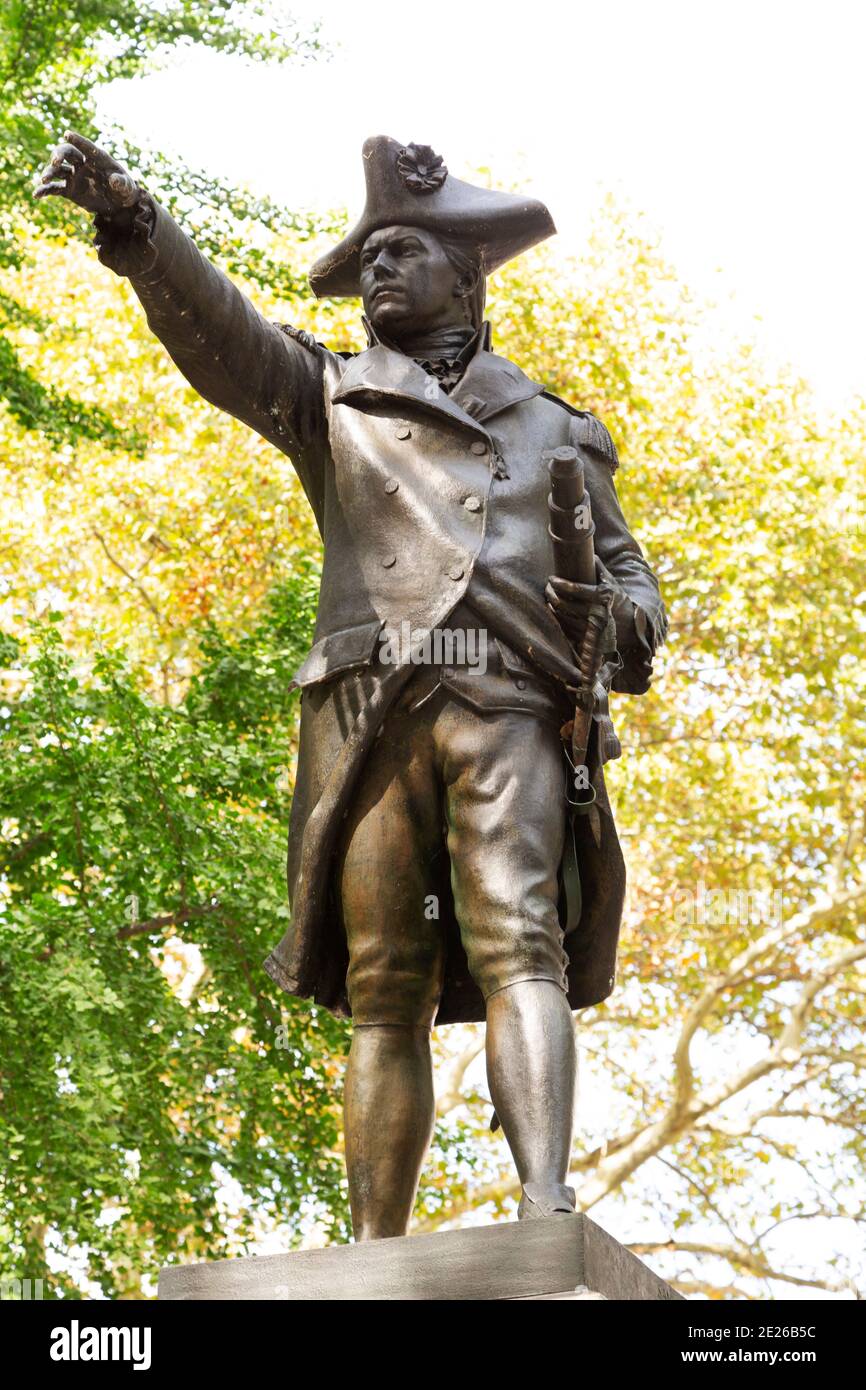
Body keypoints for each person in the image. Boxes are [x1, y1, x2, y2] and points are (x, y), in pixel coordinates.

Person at [36, 132, 667, 1239]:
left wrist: (611, 618)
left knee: (524, 941)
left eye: (402, 249)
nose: (375, 266)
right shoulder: (326, 397)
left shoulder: (558, 427)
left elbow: (635, 589)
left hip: (507, 705)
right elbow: (221, 333)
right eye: (366, 252)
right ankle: (374, 1252)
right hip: (366, 713)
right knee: (385, 981)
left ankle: (543, 1207)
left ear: (466, 277)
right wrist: (136, 226)